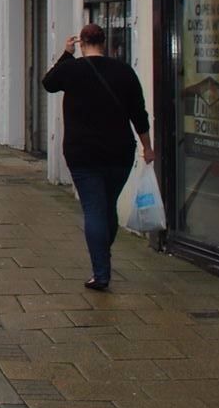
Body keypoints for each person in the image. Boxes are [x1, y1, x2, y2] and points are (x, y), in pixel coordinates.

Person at [43, 22, 154, 291]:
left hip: (82, 152)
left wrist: (66, 54)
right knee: (108, 206)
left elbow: (48, 83)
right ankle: (102, 254)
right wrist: (147, 147)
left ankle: (101, 272)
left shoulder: (71, 69)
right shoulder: (124, 72)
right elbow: (138, 114)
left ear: (81, 42)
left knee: (94, 208)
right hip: (119, 152)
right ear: (104, 42)